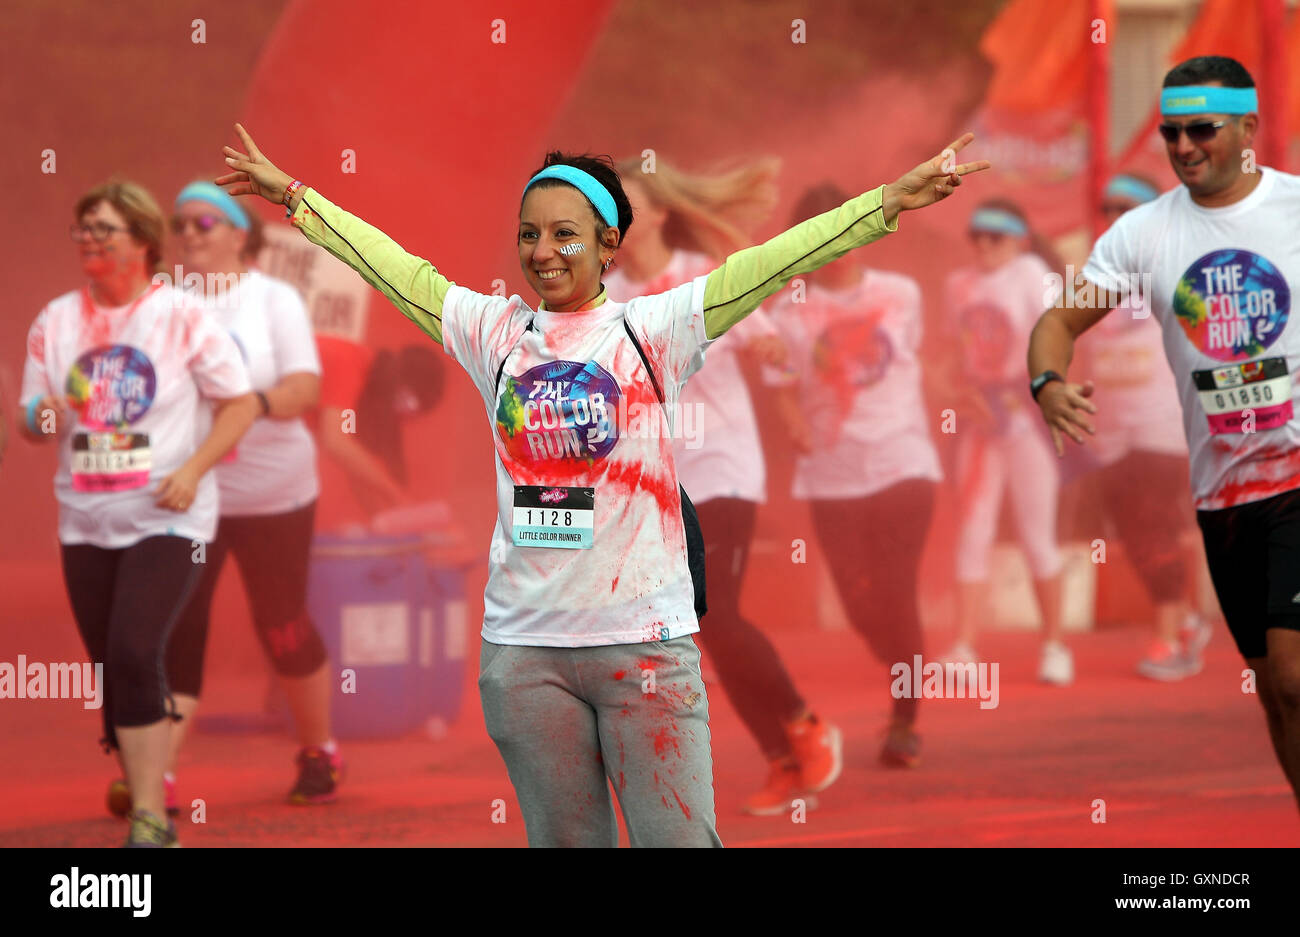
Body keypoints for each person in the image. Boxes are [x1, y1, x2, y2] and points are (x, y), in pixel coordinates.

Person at [217, 122, 988, 846]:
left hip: (644, 647)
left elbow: (776, 261)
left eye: (564, 233)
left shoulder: (656, 327)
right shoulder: (493, 332)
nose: (543, 251)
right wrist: (295, 199)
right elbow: (388, 265)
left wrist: (886, 204)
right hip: (525, 657)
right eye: (529, 234)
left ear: (607, 242)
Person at [1029, 56, 1300, 809]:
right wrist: (1047, 383)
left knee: (1294, 674)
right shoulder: (1142, 234)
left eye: (1202, 130)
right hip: (1222, 495)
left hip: (1299, 474)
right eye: (1171, 132)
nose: (1183, 147)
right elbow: (1058, 320)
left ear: (1249, 128)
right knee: (1274, 696)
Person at [18, 180, 256, 846]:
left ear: (143, 242)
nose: (90, 240)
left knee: (133, 646)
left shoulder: (182, 316)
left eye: (105, 229)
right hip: (85, 519)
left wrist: (191, 470)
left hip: (168, 515)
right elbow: (31, 417)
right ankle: (141, 776)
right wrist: (43, 415)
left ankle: (151, 815)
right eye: (83, 229)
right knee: (111, 665)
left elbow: (239, 405)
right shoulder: (55, 320)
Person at [604, 157, 844, 817]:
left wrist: (768, 353)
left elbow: (770, 344)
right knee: (704, 625)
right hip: (660, 479)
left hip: (726, 467)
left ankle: (803, 723)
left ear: (654, 214)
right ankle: (781, 755)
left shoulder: (702, 274)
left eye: (625, 203)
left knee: (717, 613)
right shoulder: (611, 295)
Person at [148, 181, 342, 812]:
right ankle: (160, 777)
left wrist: (248, 405)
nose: (192, 233)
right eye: (183, 224)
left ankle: (318, 750)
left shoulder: (273, 299)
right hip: (191, 493)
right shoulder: (165, 302)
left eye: (206, 220)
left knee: (282, 625)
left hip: (273, 495)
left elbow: (306, 389)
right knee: (179, 625)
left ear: (240, 233)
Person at [768, 182, 943, 766]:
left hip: (904, 465)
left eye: (845, 227)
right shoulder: (785, 311)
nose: (837, 245)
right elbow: (785, 388)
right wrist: (794, 426)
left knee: (894, 589)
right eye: (820, 234)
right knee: (858, 604)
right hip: (831, 476)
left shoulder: (901, 294)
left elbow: (910, 362)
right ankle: (905, 667)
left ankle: (905, 719)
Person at [1079, 173, 1213, 680]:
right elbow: (1083, 354)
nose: (1111, 219)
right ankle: (1186, 618)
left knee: (1154, 524)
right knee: (1134, 535)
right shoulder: (1091, 277)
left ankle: (1169, 637)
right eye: (1105, 209)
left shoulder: (1180, 269)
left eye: (1123, 209)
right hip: (1112, 433)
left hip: (1164, 425)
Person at [942, 200, 1071, 684]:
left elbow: (1061, 338)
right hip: (979, 419)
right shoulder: (957, 286)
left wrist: (1037, 391)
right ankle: (964, 646)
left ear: (1019, 238)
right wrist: (964, 393)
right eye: (976, 236)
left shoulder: (1034, 273)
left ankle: (1055, 646)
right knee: (972, 531)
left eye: (994, 237)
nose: (982, 246)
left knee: (1038, 534)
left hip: (1027, 420)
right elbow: (954, 351)